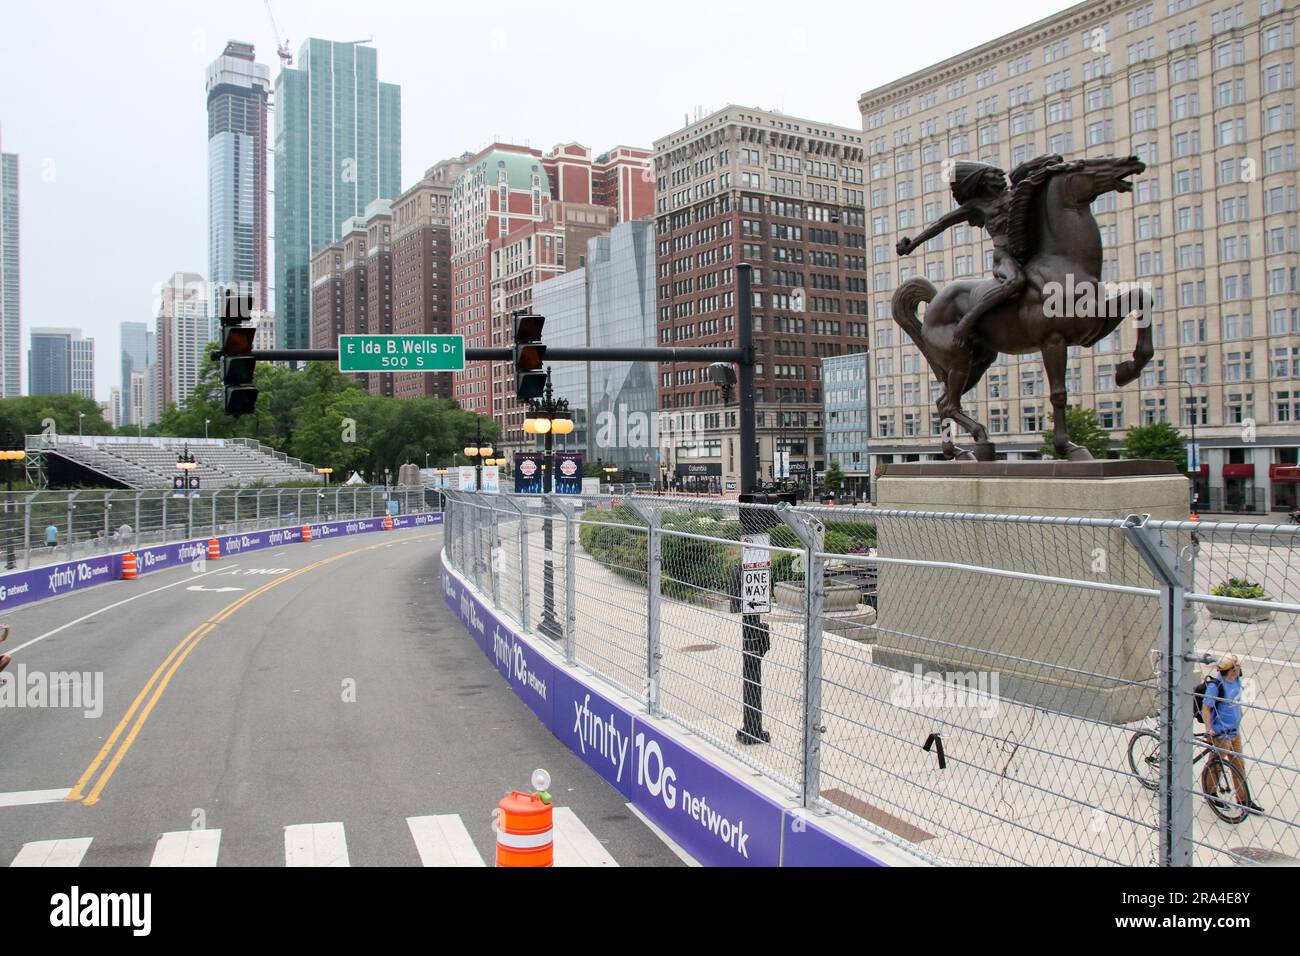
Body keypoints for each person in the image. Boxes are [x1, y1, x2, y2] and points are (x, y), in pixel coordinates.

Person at [896, 154, 1062, 349]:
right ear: (983, 181)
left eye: (1000, 174)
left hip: (1029, 251)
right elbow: (942, 223)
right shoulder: (978, 206)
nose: (1000, 177)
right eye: (994, 175)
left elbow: (1039, 172)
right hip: (1005, 257)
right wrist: (913, 243)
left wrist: (1047, 163)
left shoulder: (1016, 192)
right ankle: (969, 319)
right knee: (1015, 281)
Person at [1203, 653, 1265, 815]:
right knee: (1216, 765)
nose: (1239, 669)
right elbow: (1207, 708)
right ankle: (1210, 794)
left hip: (1234, 732)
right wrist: (1209, 729)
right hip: (1221, 733)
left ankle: (1244, 800)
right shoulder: (1216, 686)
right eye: (1236, 667)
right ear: (1230, 670)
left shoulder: (1236, 680)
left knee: (1238, 766)